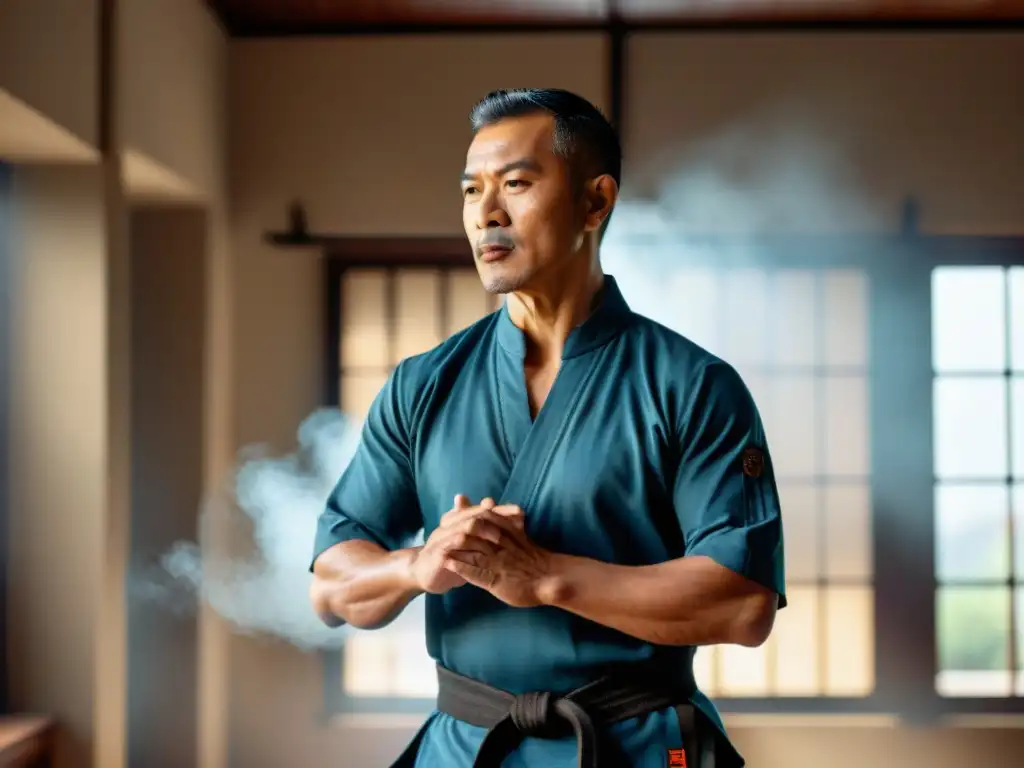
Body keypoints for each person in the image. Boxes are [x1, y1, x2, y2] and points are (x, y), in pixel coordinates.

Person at [309, 88, 786, 768]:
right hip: (467, 747)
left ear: (596, 202)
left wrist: (543, 578)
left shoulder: (691, 384)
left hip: (636, 747)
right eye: (471, 190)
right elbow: (331, 587)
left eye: (517, 185)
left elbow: (742, 605)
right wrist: (420, 565)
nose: (486, 214)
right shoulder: (424, 384)